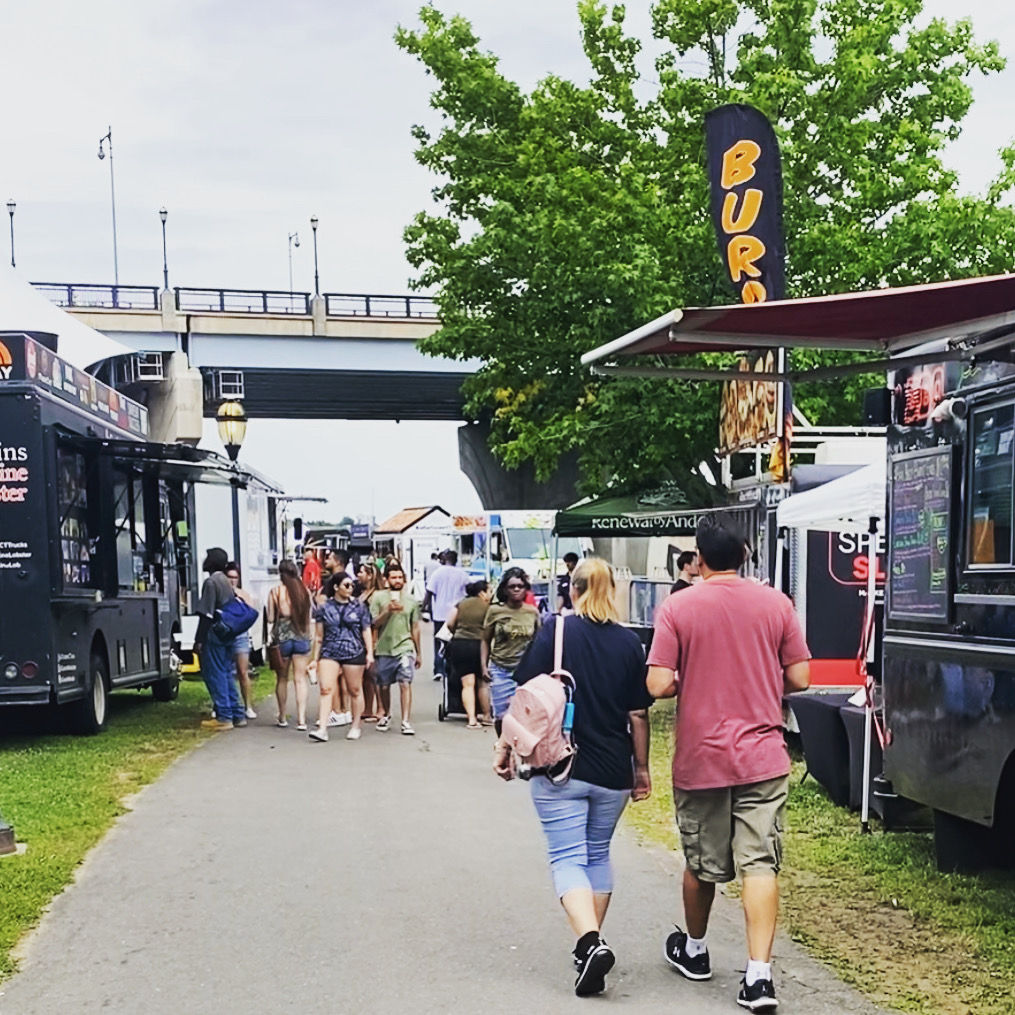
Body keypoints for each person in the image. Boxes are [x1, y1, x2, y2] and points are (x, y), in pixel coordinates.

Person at [646, 516, 811, 1013]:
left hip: (703, 757)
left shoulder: (678, 606)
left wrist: (691, 679)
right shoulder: (776, 603)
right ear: (744, 554)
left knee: (702, 862)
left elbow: (657, 684)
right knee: (760, 863)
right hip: (763, 756)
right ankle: (759, 977)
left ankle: (695, 951)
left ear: (698, 559)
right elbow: (801, 676)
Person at [494, 558, 652, 997]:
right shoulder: (629, 643)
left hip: (560, 767)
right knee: (597, 854)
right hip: (614, 770)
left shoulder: (556, 631)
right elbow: (638, 714)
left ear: (573, 589)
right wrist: (641, 769)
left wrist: (504, 747)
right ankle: (589, 948)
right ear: (611, 591)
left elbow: (524, 697)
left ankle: (590, 943)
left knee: (567, 858)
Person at [308, 572, 374, 743]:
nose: (350, 588)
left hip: (354, 650)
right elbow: (319, 636)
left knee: (355, 689)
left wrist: (369, 652)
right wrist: (315, 658)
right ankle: (322, 728)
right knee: (326, 688)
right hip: (330, 651)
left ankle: (356, 725)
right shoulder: (325, 608)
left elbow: (366, 629)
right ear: (336, 587)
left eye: (352, 585)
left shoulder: (359, 607)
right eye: (346, 585)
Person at [481, 566, 540, 727]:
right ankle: (502, 743)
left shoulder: (532, 612)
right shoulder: (495, 611)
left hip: (525, 671)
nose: (516, 589)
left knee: (523, 718)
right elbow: (485, 639)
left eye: (520, 586)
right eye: (512, 586)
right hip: (500, 669)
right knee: (501, 717)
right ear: (505, 589)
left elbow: (538, 642)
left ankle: (517, 743)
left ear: (526, 589)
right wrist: (484, 666)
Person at [193, 548, 245, 730]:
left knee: (215, 673)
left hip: (214, 634)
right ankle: (237, 713)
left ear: (212, 562)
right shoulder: (225, 581)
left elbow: (206, 614)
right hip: (228, 632)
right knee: (226, 672)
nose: (204, 560)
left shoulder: (211, 582)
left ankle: (224, 716)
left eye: (208, 557)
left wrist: (199, 640)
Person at [369, 562, 422, 734]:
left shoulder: (411, 600)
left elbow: (415, 627)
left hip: (405, 646)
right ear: (386, 579)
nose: (397, 580)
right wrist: (387, 611)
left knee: (405, 682)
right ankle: (386, 713)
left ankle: (406, 720)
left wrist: (418, 652)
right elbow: (373, 623)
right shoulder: (378, 598)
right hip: (384, 648)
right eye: (393, 577)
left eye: (400, 577)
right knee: (384, 685)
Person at [266, 559, 313, 730]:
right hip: (302, 637)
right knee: (300, 679)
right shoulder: (304, 591)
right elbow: (309, 618)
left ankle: (282, 716)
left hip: (283, 639)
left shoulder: (275, 592)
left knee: (282, 678)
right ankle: (301, 719)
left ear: (281, 574)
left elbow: (271, 618)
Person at [444, 579, 493, 728]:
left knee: (467, 683)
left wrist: (457, 632)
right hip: (480, 645)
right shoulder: (488, 607)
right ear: (482, 593)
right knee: (482, 683)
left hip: (460, 644)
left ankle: (472, 719)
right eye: (490, 591)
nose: (491, 594)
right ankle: (487, 716)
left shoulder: (461, 604)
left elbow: (450, 623)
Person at [424, 549, 470, 680]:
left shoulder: (437, 573)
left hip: (439, 613)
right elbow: (468, 592)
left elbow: (429, 592)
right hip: (456, 613)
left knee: (439, 642)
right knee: (454, 641)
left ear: (444, 559)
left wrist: (424, 608)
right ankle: (452, 667)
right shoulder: (462, 574)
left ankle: (438, 669)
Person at [225, 563, 259, 720]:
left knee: (243, 672)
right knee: (224, 671)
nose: (232, 580)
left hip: (241, 636)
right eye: (229, 577)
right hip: (225, 635)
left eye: (235, 577)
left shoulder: (243, 594)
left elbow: (251, 614)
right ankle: (224, 705)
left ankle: (248, 706)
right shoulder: (222, 594)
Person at [356, 561, 382, 722]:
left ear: (370, 575)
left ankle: (380, 708)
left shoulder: (375, 596)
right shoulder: (364, 593)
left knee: (374, 675)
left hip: (373, 637)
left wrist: (373, 642)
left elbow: (374, 621)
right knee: (366, 676)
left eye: (361, 572)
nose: (358, 575)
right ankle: (367, 708)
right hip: (362, 638)